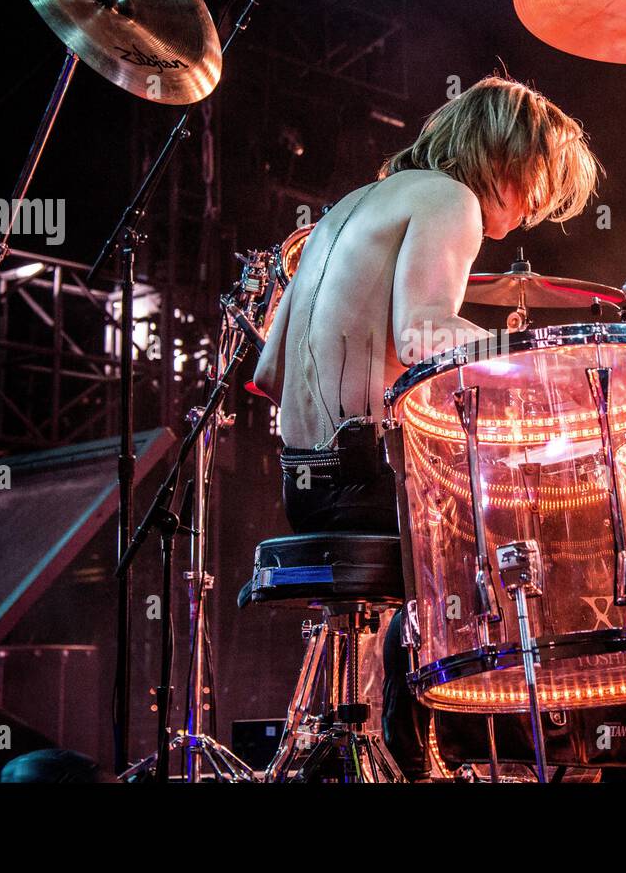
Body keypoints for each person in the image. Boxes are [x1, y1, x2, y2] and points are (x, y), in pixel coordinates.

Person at [252, 75, 600, 777]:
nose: (537, 206)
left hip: (305, 484)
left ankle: (406, 740)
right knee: (562, 523)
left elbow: (267, 370)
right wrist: (536, 368)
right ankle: (437, 752)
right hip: (362, 484)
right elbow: (422, 335)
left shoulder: (343, 211)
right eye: (542, 179)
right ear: (507, 154)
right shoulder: (451, 198)